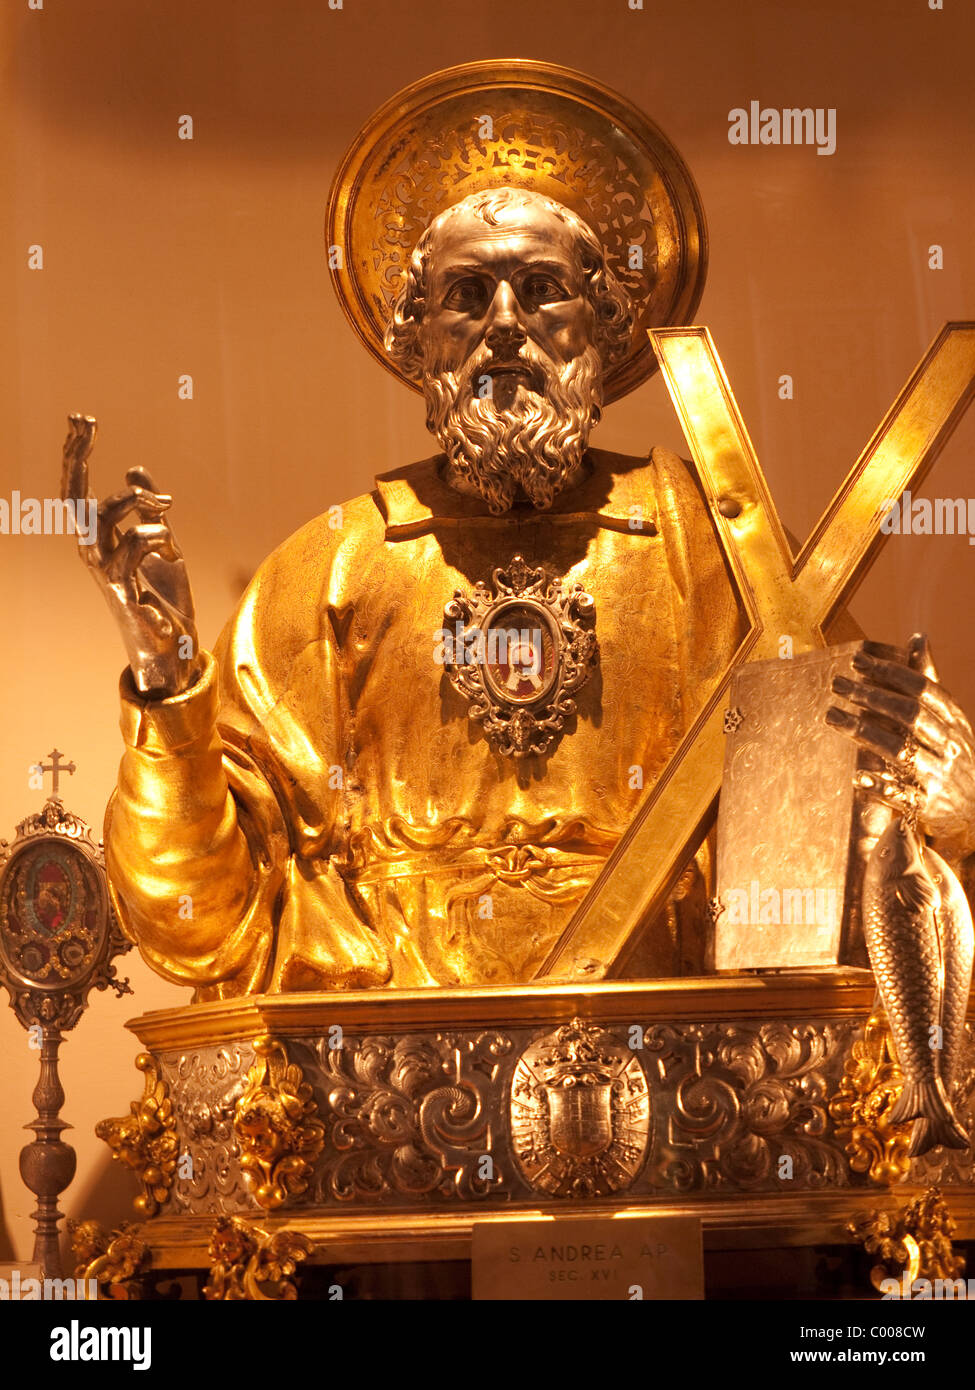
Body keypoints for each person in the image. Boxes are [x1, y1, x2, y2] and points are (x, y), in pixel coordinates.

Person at [61, 188, 975, 998]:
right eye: (467, 296)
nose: (505, 321)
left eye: (541, 288)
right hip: (384, 1092)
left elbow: (854, 820)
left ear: (602, 329)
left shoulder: (713, 549)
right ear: (420, 340)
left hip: (677, 1075)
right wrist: (170, 689)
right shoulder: (330, 570)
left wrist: (951, 815)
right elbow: (191, 922)